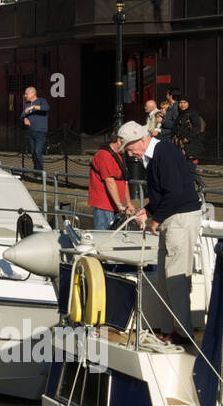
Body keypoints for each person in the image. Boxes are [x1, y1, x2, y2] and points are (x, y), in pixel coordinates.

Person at [120, 120, 202, 347]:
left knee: (176, 278)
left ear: (141, 139)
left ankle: (183, 333)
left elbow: (174, 192)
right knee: (166, 279)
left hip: (180, 218)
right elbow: (166, 191)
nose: (129, 153)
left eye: (129, 147)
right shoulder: (155, 156)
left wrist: (155, 218)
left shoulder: (164, 153)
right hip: (172, 216)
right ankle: (169, 329)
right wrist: (149, 209)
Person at [88, 129, 134, 230]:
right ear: (118, 141)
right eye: (126, 143)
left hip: (116, 207)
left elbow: (124, 180)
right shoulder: (104, 155)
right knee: (105, 238)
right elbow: (110, 182)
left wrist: (128, 203)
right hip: (104, 207)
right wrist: (119, 205)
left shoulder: (118, 155)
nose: (127, 148)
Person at [172, 94, 205, 188]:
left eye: (185, 102)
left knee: (190, 170)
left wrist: (188, 138)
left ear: (188, 103)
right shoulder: (180, 115)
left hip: (191, 147)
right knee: (185, 170)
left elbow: (197, 128)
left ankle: (201, 187)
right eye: (181, 103)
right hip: (181, 147)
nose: (182, 105)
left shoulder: (192, 113)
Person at [21, 86, 50, 171]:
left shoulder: (42, 101)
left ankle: (41, 172)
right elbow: (22, 115)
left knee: (38, 152)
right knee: (33, 153)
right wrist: (24, 119)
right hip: (31, 132)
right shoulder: (26, 104)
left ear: (33, 93)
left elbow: (46, 107)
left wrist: (33, 107)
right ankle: (36, 171)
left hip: (40, 132)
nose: (25, 95)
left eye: (26, 94)